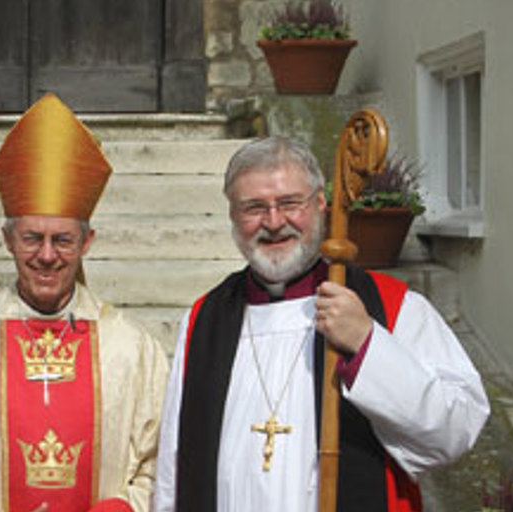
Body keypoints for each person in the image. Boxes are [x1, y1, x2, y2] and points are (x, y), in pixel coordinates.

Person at [153, 136, 491, 511]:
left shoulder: (394, 307)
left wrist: (367, 346)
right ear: (232, 216)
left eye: (290, 203)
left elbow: (455, 432)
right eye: (254, 207)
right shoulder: (205, 320)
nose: (274, 222)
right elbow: (172, 466)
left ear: (320, 205)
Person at [0, 93, 169, 512]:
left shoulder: (132, 348)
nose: (47, 255)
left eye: (62, 240)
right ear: (7, 239)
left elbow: (164, 462)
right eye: (32, 238)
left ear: (87, 242)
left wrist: (121, 508)